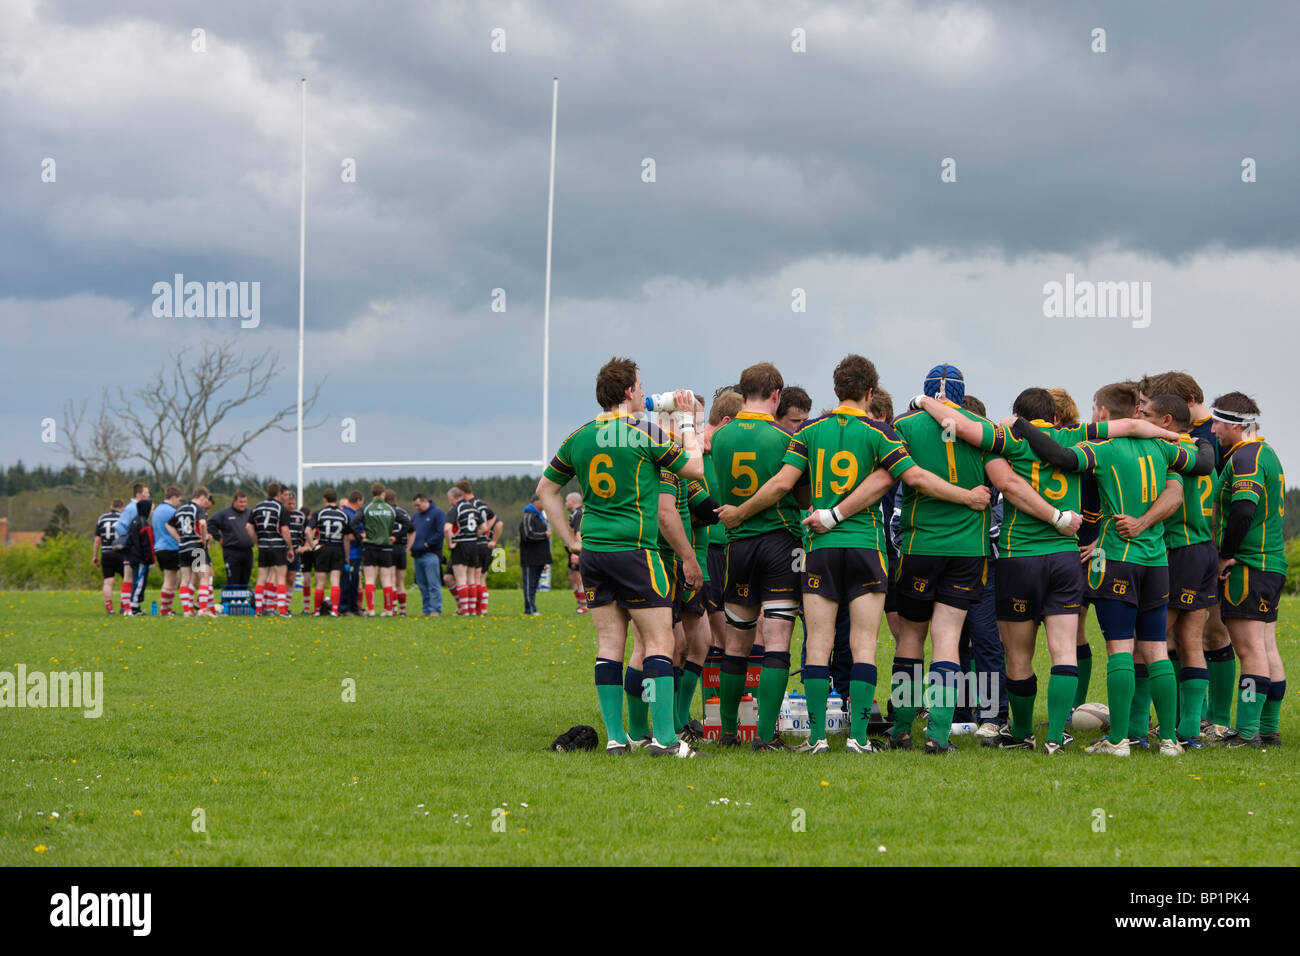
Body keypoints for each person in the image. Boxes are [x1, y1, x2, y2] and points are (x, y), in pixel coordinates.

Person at [727, 355, 988, 752]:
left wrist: (743, 512)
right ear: (870, 392)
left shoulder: (809, 432)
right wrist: (967, 496)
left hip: (821, 547)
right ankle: (861, 739)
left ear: (835, 390)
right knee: (866, 643)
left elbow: (783, 482)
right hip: (867, 546)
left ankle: (816, 739)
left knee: (819, 641)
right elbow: (911, 476)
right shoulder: (882, 432)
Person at [1012, 396, 1215, 756]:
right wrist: (1199, 439)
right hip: (1157, 562)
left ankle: (1119, 740)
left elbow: (1059, 457)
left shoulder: (1102, 449)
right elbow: (1201, 465)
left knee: (1119, 647)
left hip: (1117, 557)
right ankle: (1169, 740)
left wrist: (1022, 426)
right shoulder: (1164, 450)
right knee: (1156, 649)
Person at [534, 356, 705, 757]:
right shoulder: (644, 431)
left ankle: (615, 739)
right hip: (637, 553)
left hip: (594, 552)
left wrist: (570, 540)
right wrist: (684, 422)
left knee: (610, 643)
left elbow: (546, 490)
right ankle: (665, 740)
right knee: (660, 642)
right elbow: (695, 468)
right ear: (628, 392)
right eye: (641, 388)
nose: (645, 395)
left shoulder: (579, 436)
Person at [709, 361, 806, 751]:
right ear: (776, 395)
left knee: (736, 640)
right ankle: (765, 735)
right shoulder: (783, 438)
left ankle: (729, 732)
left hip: (738, 545)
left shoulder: (721, 437)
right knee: (778, 639)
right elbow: (793, 492)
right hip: (779, 540)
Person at [1211, 392, 1287, 747]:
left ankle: (1246, 731)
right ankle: (1267, 728)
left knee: (1249, 650)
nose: (1213, 429)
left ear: (1236, 425)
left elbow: (1243, 510)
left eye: (1218, 423)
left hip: (1250, 565)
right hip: (1272, 564)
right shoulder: (1267, 452)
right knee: (1267, 647)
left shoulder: (1247, 457)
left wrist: (1226, 554)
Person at [249, 482, 294, 617]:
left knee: (261, 577)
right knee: (281, 577)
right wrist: (290, 548)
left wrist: (257, 541)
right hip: (278, 546)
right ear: (278, 494)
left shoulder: (257, 507)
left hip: (263, 546)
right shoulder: (280, 508)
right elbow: (285, 530)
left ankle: (258, 610)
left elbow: (248, 527)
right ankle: (281, 611)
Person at [170, 487, 214, 617]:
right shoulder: (197, 509)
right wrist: (204, 539)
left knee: (185, 579)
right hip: (196, 546)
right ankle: (203, 609)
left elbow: (168, 525)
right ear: (201, 497)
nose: (205, 503)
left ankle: (187, 611)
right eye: (205, 500)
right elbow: (202, 523)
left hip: (183, 548)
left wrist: (179, 539)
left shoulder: (180, 509)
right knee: (204, 577)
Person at [355, 482, 397, 617]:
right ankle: (389, 610)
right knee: (386, 580)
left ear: (372, 494)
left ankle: (371, 609)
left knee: (369, 579)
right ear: (383, 494)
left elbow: (353, 523)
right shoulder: (390, 509)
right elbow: (408, 524)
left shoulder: (366, 508)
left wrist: (359, 537)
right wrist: (394, 536)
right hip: (386, 547)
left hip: (370, 546)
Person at [309, 488, 350, 617]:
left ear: (325, 499)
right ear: (335, 499)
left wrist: (312, 546)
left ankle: (316, 611)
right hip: (338, 548)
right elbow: (347, 538)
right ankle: (335, 610)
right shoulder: (343, 514)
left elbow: (307, 531)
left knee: (320, 582)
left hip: (323, 547)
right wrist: (346, 555)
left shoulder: (319, 513)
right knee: (335, 581)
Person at [113, 483, 151, 611]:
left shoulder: (138, 508)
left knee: (130, 575)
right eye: (146, 492)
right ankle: (126, 606)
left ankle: (126, 605)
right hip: (132, 548)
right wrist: (128, 539)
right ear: (139, 494)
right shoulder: (132, 508)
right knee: (129, 575)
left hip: (135, 547)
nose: (149, 495)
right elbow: (119, 526)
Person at [446, 485, 482, 615]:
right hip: (474, 544)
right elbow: (483, 527)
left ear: (452, 497)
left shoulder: (456, 508)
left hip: (461, 544)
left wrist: (450, 542)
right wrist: (473, 535)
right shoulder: (474, 508)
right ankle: (472, 610)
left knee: (461, 579)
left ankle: (464, 610)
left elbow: (447, 528)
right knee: (471, 579)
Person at [410, 493, 446, 617]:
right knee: (422, 584)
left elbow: (441, 532)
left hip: (431, 554)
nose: (417, 508)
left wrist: (428, 543)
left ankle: (435, 609)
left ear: (425, 501)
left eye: (418, 505)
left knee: (433, 584)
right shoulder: (416, 516)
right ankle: (426, 609)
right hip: (417, 555)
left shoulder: (437, 513)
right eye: (415, 506)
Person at [209, 490, 253, 590]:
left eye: (245, 502)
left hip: (247, 552)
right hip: (232, 552)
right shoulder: (224, 513)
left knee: (244, 580)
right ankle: (226, 602)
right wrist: (218, 538)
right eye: (241, 502)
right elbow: (210, 525)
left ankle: (241, 603)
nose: (243, 504)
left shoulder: (250, 513)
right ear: (234, 501)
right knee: (233, 580)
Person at [151, 486, 183, 616]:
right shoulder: (171, 511)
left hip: (159, 547)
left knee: (174, 577)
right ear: (174, 497)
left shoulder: (157, 510)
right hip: (170, 547)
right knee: (170, 579)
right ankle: (165, 609)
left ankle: (167, 608)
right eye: (178, 500)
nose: (179, 503)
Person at [519, 494, 551, 615]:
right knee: (529, 585)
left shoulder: (540, 518)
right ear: (535, 502)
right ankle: (530, 609)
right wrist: (544, 535)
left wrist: (544, 560)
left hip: (539, 558)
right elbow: (528, 535)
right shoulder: (528, 517)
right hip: (529, 558)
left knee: (533, 586)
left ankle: (531, 608)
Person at [92, 498, 126, 614]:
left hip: (106, 553)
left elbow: (97, 539)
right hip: (121, 553)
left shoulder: (102, 518)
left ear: (111, 506)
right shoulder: (123, 517)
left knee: (108, 581)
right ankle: (124, 605)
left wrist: (95, 556)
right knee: (127, 580)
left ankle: (109, 608)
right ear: (122, 508)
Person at [123, 498, 155, 616]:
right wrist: (151, 560)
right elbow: (148, 544)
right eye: (151, 509)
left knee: (136, 581)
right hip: (141, 559)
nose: (152, 512)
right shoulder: (144, 524)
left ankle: (134, 606)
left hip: (133, 558)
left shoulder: (134, 521)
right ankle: (134, 607)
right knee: (140, 582)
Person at [385, 489, 414, 616]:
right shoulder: (404, 512)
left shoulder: (385, 512)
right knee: (400, 582)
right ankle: (403, 610)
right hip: (401, 549)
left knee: (391, 580)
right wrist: (408, 546)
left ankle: (393, 610)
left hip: (389, 548)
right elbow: (412, 530)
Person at [339, 491, 364, 615]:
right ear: (358, 500)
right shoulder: (348, 514)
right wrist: (363, 536)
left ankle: (354, 607)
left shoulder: (353, 513)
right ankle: (344, 608)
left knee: (354, 580)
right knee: (347, 580)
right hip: (350, 553)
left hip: (356, 553)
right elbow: (348, 537)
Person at [564, 492, 586, 613]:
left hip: (576, 552)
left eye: (566, 501)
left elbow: (578, 533)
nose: (565, 503)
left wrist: (575, 553)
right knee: (573, 577)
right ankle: (580, 605)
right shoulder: (574, 513)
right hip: (571, 551)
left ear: (572, 501)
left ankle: (584, 606)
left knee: (579, 577)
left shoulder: (578, 513)